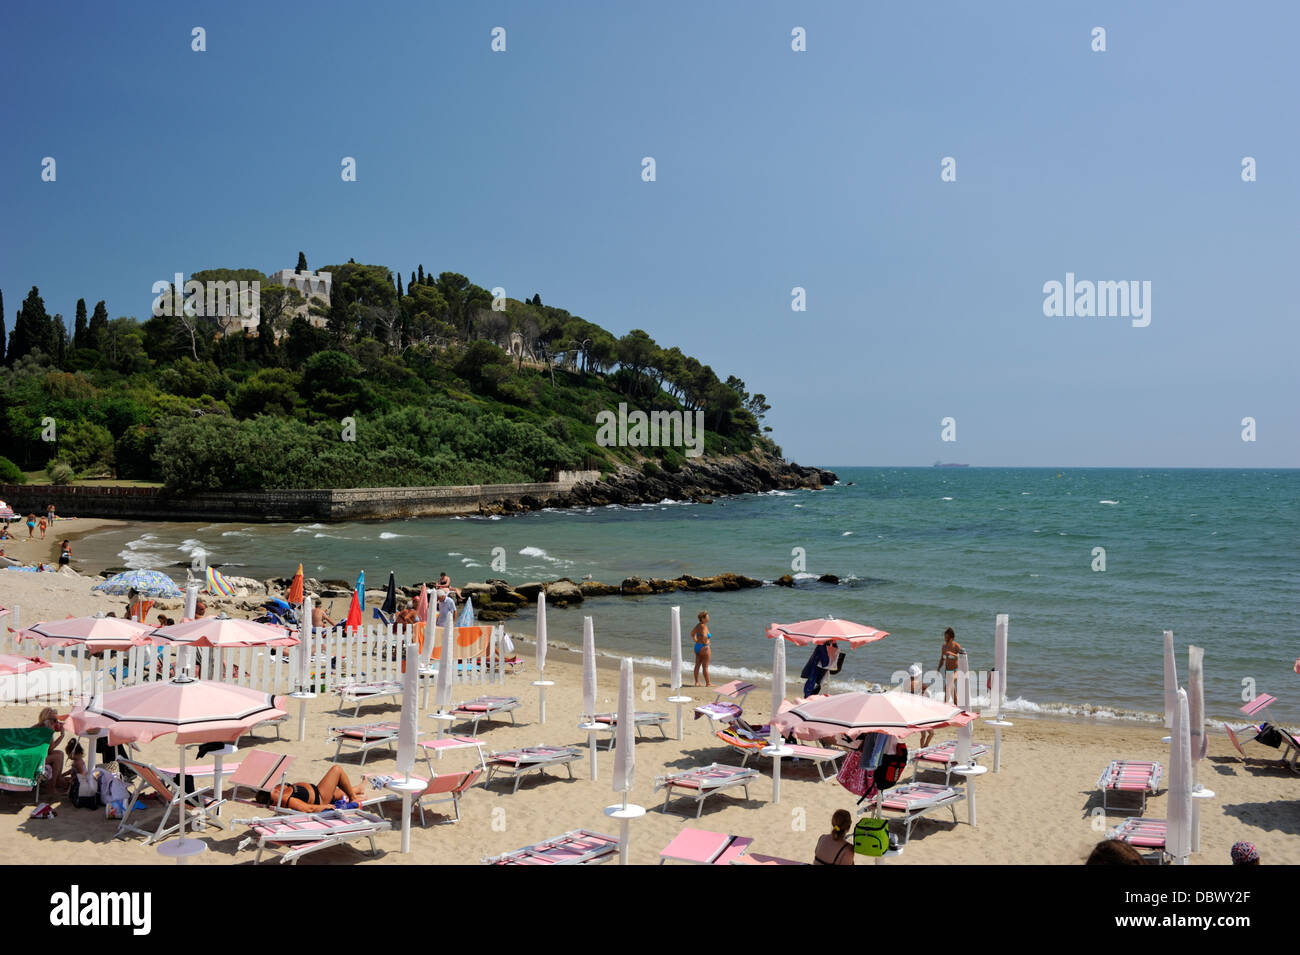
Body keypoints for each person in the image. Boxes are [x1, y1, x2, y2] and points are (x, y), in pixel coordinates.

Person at [264, 766, 364, 813]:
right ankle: (353, 797)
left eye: (274, 790)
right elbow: (308, 808)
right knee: (336, 770)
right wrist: (327, 806)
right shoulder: (288, 800)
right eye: (275, 792)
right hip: (320, 799)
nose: (276, 790)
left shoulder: (279, 793)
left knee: (337, 792)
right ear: (273, 803)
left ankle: (358, 789)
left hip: (317, 791)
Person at [34, 708, 67, 791]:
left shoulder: (38, 726)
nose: (57, 723)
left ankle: (57, 779)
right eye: (55, 720)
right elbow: (50, 750)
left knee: (60, 753)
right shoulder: (47, 730)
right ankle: (51, 786)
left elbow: (48, 750)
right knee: (58, 757)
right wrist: (62, 735)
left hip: (33, 755)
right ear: (47, 720)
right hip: (34, 759)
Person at [906, 663, 935, 748]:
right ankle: (925, 746)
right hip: (922, 711)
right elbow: (927, 690)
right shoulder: (918, 683)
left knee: (923, 735)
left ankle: (923, 748)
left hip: (915, 712)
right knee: (931, 733)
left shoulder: (907, 684)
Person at [938, 627, 962, 705]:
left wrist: (952, 654)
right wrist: (938, 668)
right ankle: (956, 705)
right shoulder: (944, 647)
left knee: (948, 687)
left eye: (947, 637)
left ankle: (944, 705)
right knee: (952, 689)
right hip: (947, 671)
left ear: (951, 637)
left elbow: (962, 657)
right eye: (945, 637)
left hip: (956, 670)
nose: (945, 638)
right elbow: (942, 659)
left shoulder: (956, 646)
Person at [691, 610, 712, 687]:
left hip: (697, 646)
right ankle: (708, 683)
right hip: (704, 647)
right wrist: (706, 642)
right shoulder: (704, 626)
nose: (708, 618)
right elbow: (704, 635)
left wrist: (696, 640)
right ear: (703, 618)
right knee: (705, 666)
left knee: (697, 665)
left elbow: (692, 633)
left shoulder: (698, 625)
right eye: (707, 617)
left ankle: (696, 682)